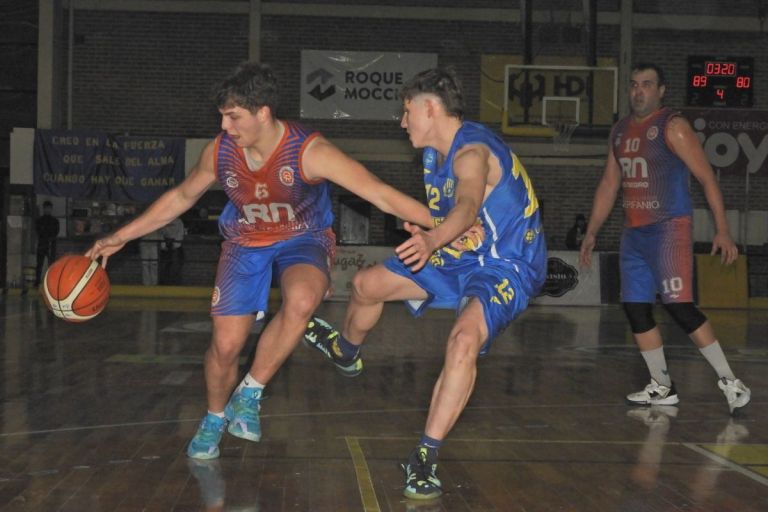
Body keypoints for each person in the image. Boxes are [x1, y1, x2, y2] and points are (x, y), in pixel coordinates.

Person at [85, 61, 433, 460]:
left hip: (303, 238)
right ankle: (215, 416)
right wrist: (119, 237)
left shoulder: (310, 152)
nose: (225, 127)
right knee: (225, 345)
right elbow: (181, 198)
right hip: (245, 242)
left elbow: (381, 194)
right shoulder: (219, 152)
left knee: (303, 299)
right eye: (222, 117)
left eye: (233, 117)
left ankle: (249, 394)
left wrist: (448, 224)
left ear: (263, 112)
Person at [303, 67, 547, 500]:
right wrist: (429, 227)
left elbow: (469, 205)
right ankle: (346, 349)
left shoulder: (471, 152)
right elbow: (461, 217)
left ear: (430, 107)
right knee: (365, 286)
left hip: (504, 265)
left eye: (406, 111)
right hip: (462, 252)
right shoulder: (434, 155)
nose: (402, 122)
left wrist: (434, 237)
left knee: (462, 341)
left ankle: (425, 456)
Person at [579, 62, 750, 415]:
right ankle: (662, 386)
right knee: (636, 309)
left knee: (678, 306)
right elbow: (610, 184)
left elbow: (707, 179)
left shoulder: (673, 127)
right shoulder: (620, 131)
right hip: (635, 234)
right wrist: (592, 231)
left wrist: (722, 229)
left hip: (669, 228)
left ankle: (730, 382)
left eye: (646, 84)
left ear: (661, 91)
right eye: (633, 84)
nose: (638, 91)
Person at [34, 200, 60, 287]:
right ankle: (37, 281)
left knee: (51, 264)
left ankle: (51, 282)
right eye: (46, 208)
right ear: (44, 209)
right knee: (39, 264)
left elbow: (56, 232)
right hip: (42, 244)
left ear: (51, 209)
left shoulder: (55, 221)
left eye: (49, 208)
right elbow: (38, 232)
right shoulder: (39, 220)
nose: (47, 210)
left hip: (51, 244)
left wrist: (50, 239)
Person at [159, 217, 185, 285]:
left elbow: (180, 233)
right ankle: (165, 282)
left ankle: (175, 282)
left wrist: (175, 245)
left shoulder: (179, 221)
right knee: (164, 265)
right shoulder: (164, 220)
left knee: (176, 265)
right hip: (166, 246)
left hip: (175, 246)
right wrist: (163, 244)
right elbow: (160, 233)